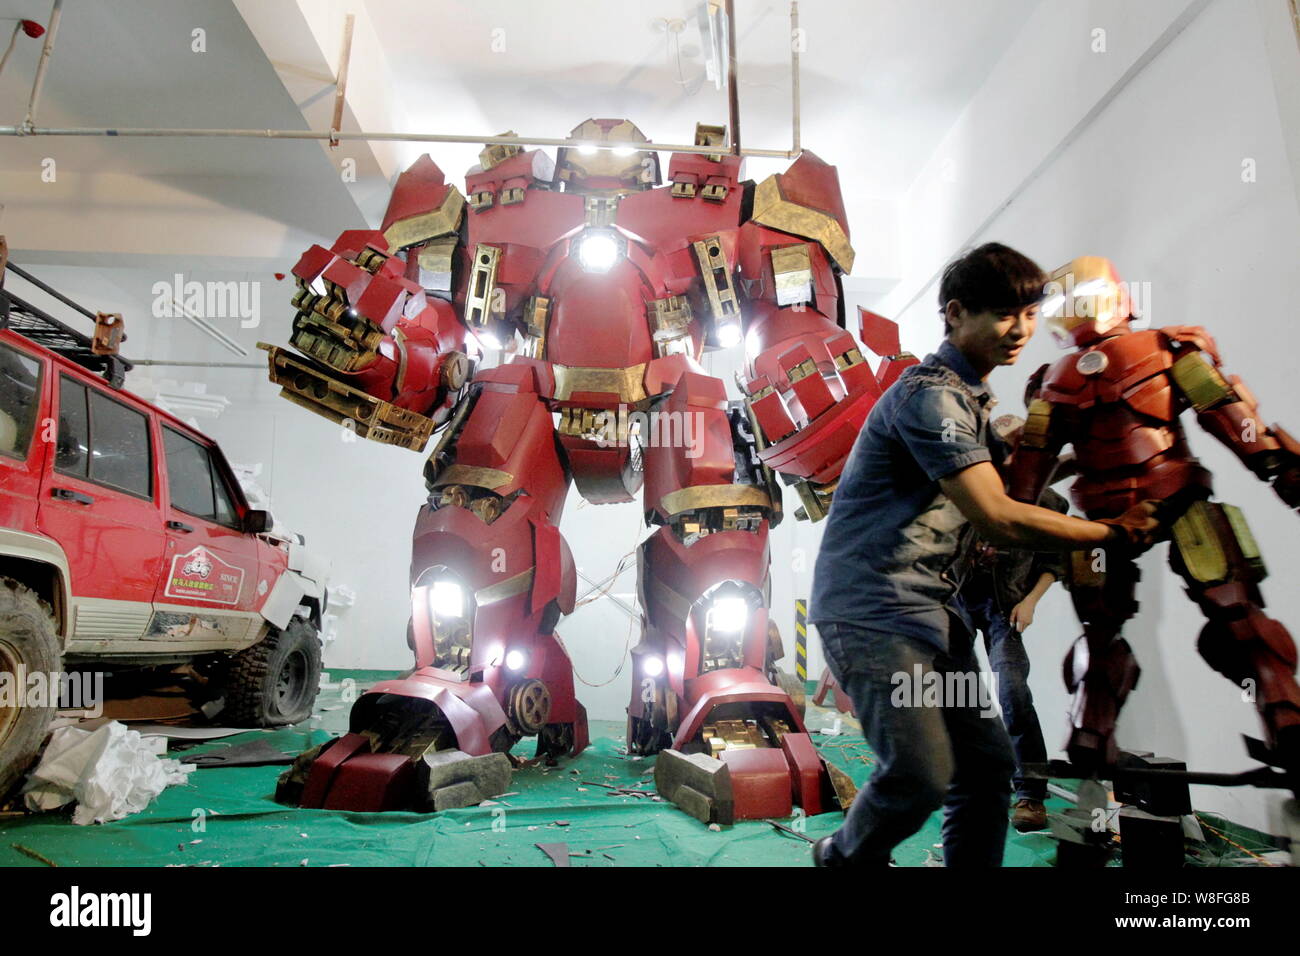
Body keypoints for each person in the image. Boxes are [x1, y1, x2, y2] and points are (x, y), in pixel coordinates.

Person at [808, 242, 1159, 867]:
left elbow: (1018, 480)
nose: (1021, 330)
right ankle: (841, 857)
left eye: (1029, 313)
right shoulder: (930, 398)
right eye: (1003, 314)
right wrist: (1112, 530)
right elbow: (997, 513)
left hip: (934, 618)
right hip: (874, 614)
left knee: (988, 766)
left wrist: (1115, 449)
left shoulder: (972, 404)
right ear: (954, 313)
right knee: (920, 771)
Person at [953, 477, 1069, 834]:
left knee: (1013, 692)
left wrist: (1030, 601)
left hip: (1005, 607)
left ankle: (1031, 794)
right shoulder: (964, 487)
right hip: (958, 600)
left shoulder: (1044, 502)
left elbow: (1055, 560)